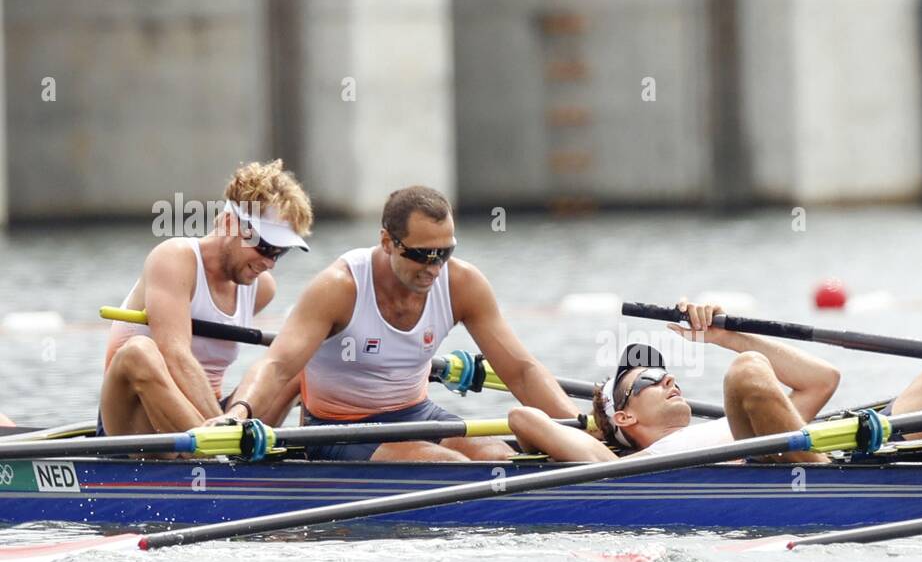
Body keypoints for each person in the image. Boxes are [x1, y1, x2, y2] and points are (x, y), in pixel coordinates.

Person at [215, 185, 576, 462]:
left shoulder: (463, 284)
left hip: (417, 414)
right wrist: (237, 415)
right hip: (339, 429)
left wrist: (579, 426)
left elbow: (522, 371)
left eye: (444, 253)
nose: (434, 268)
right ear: (387, 241)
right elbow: (277, 365)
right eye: (421, 255)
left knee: (498, 457)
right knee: (445, 464)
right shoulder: (339, 287)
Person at [99, 160, 312, 436]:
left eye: (280, 252)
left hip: (206, 420)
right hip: (135, 420)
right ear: (228, 223)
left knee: (299, 362)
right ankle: (228, 452)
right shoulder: (174, 259)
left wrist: (229, 420)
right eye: (265, 246)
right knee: (139, 351)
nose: (269, 263)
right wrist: (229, 431)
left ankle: (301, 456)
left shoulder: (262, 288)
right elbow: (174, 354)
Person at [508, 300, 840, 463]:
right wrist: (594, 431)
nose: (668, 378)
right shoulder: (636, 467)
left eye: (665, 373)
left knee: (748, 366)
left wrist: (727, 338)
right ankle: (828, 489)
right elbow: (521, 418)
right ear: (624, 417)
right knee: (747, 370)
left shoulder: (742, 422)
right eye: (650, 379)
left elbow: (822, 379)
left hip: (785, 462)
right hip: (789, 480)